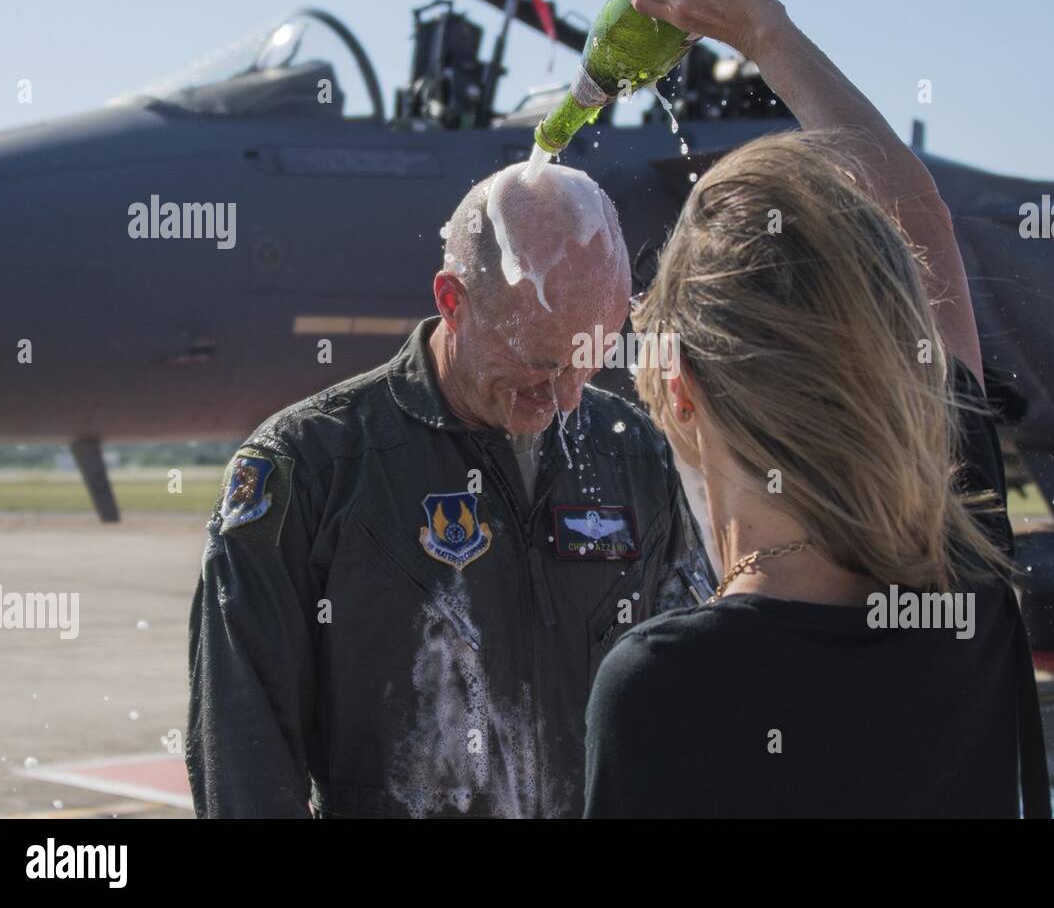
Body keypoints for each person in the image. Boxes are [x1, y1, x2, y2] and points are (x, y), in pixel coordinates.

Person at [583, 0, 1049, 818]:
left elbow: (921, 233)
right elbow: (924, 223)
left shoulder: (659, 687)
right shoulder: (961, 568)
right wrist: (764, 30)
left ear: (678, 393)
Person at [186, 162, 714, 819]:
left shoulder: (633, 453)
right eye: (539, 363)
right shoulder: (309, 468)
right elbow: (243, 751)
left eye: (590, 360)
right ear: (451, 302)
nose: (565, 397)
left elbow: (689, 695)